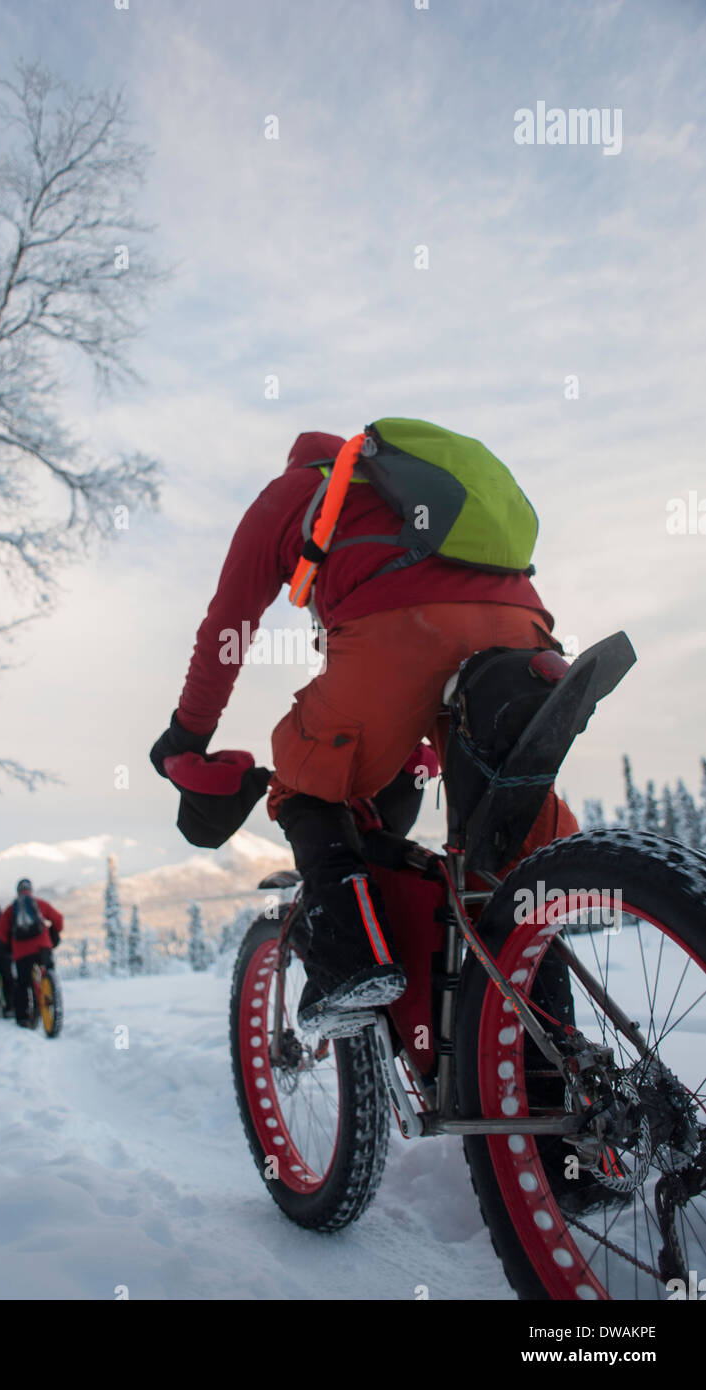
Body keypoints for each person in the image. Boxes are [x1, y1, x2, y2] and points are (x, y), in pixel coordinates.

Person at [150, 427, 578, 1030]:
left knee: (301, 776)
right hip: (524, 632)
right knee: (508, 851)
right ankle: (552, 1065)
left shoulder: (297, 491)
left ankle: (352, 963)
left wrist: (185, 736)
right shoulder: (401, 495)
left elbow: (227, 629)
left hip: (400, 630)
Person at [0, 878, 64, 1028]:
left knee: (23, 984)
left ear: (18, 891)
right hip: (42, 947)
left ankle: (23, 1018)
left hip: (22, 952)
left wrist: (9, 945)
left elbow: (0, 931)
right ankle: (49, 990)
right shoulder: (39, 904)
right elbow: (58, 919)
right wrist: (53, 933)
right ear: (30, 890)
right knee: (48, 971)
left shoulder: (11, 909)